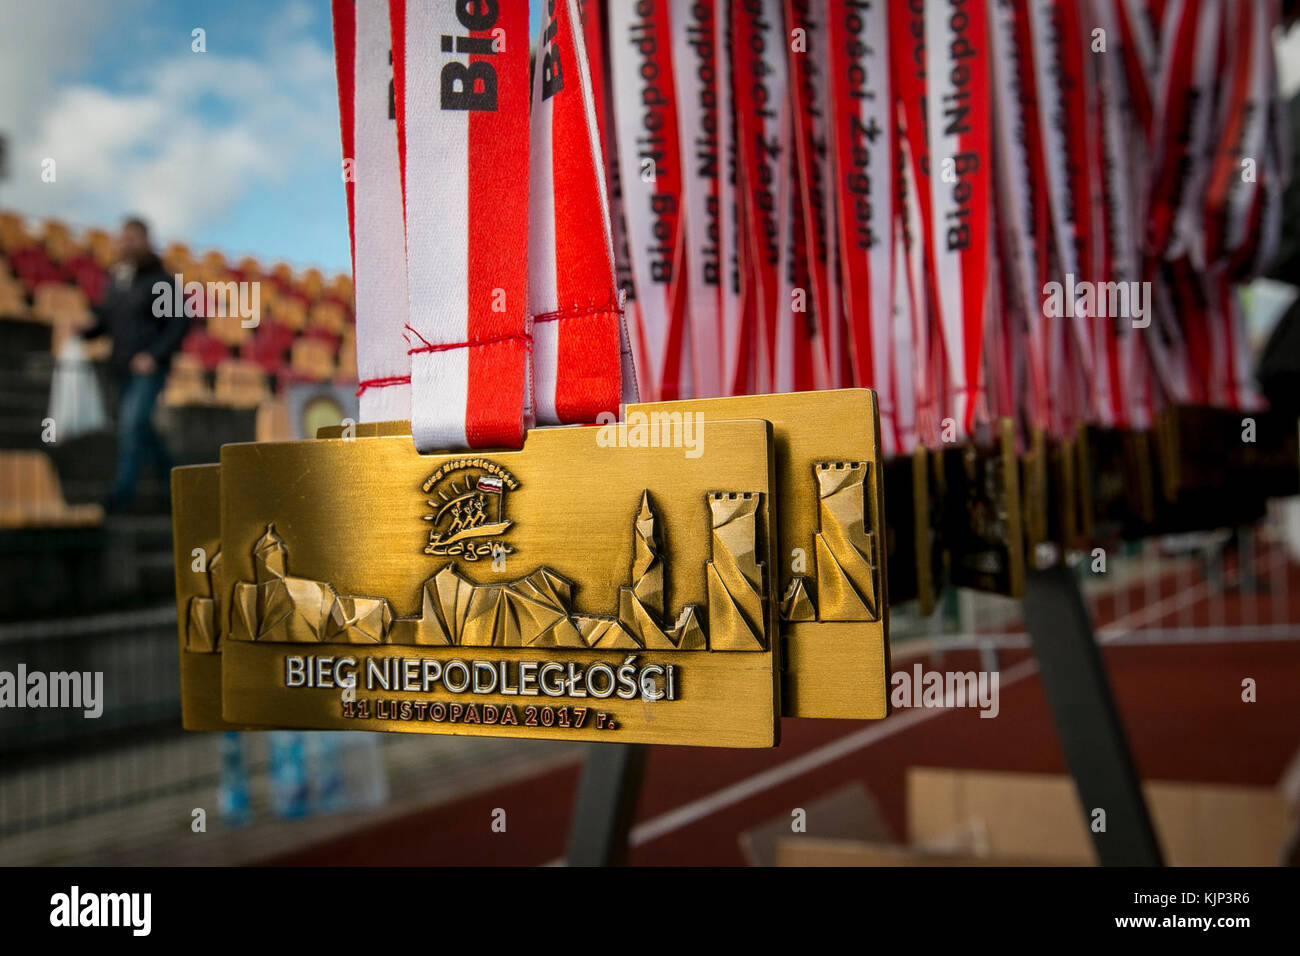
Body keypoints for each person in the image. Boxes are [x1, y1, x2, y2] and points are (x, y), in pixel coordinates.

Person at [81, 217, 188, 513]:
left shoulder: (162, 280)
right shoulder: (118, 279)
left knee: (130, 427)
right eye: (123, 238)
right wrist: (82, 333)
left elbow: (180, 322)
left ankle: (121, 496)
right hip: (121, 368)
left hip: (149, 370)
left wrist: (154, 355)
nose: (125, 243)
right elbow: (106, 320)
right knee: (143, 429)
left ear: (145, 240)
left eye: (132, 238)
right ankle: (175, 487)